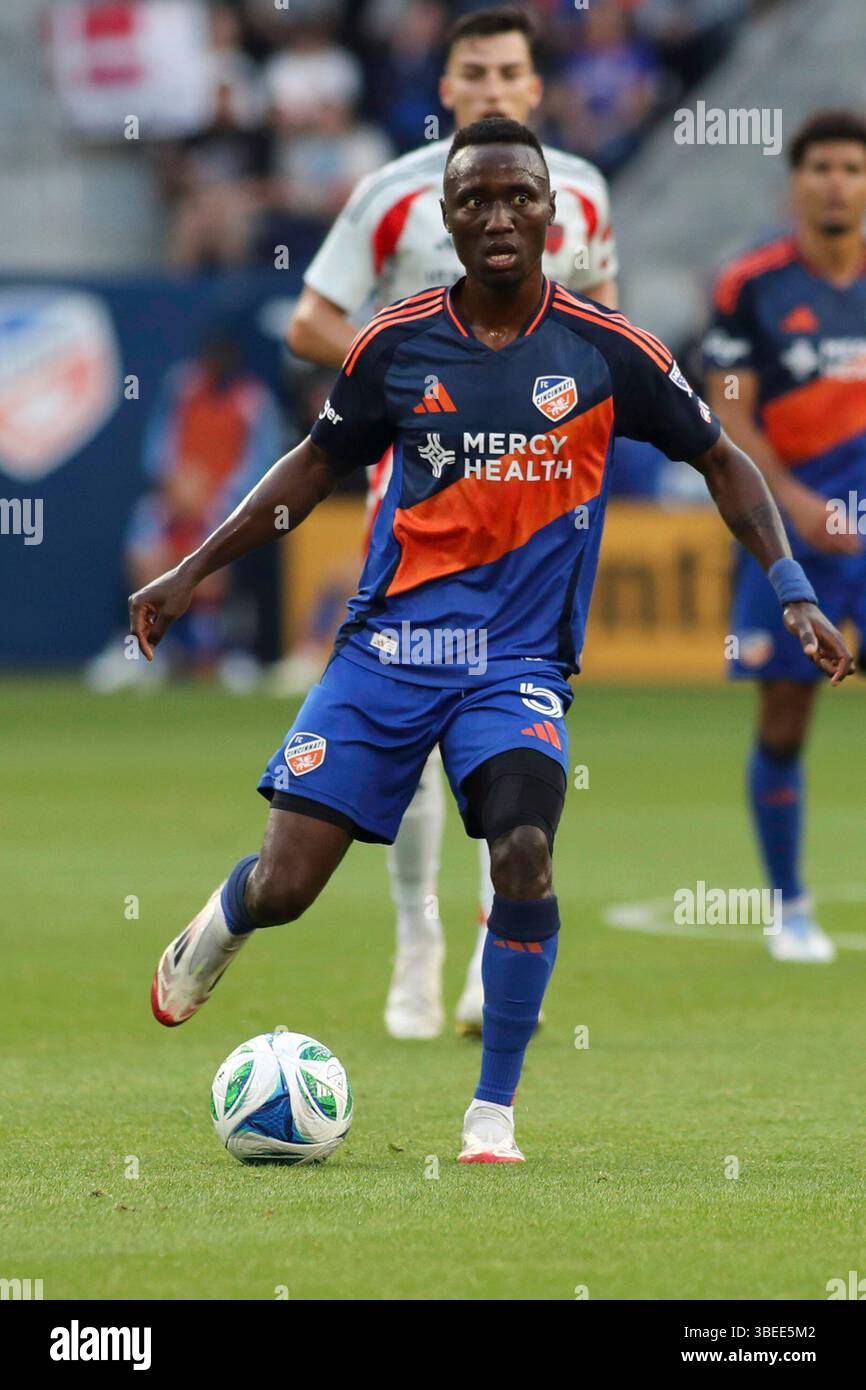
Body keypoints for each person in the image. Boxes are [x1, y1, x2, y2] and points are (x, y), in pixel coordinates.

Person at [133, 119, 852, 1164]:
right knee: (287, 886)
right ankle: (226, 920)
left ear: (551, 215)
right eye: (476, 200)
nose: (499, 216)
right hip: (385, 654)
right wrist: (191, 569)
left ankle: (490, 1115)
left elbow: (723, 460)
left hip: (513, 670)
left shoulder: (610, 350)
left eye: (519, 196)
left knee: (520, 849)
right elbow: (307, 468)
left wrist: (787, 587)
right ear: (447, 217)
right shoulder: (394, 344)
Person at [288, 4, 619, 1042]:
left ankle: (485, 944)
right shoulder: (391, 195)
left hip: (536, 497)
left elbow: (608, 324)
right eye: (469, 71)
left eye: (506, 71)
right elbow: (309, 316)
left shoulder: (581, 195)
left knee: (503, 727)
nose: (486, 87)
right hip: (419, 486)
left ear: (532, 88)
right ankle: (415, 940)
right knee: (417, 726)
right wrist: (402, 377)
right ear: (444, 88)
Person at [703, 110, 866, 963]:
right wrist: (800, 507)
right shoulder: (750, 285)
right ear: (796, 181)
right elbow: (727, 417)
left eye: (852, 167)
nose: (837, 181)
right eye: (822, 167)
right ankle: (789, 906)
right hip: (793, 533)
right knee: (785, 708)